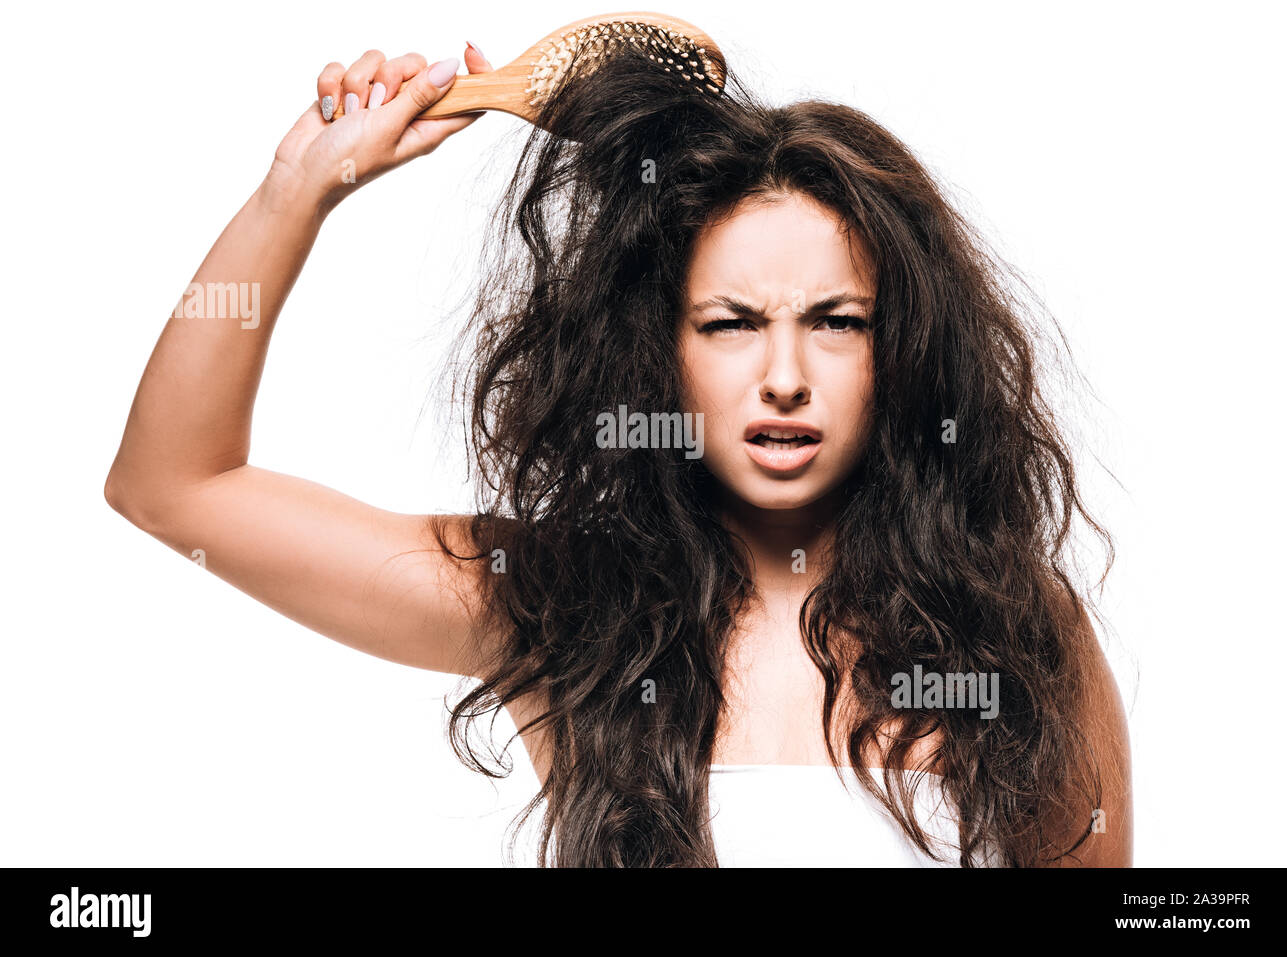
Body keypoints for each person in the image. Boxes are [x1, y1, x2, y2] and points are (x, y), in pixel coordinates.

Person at [105, 39, 1132, 867]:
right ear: (659, 354)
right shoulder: (561, 607)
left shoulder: (1010, 625)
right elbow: (174, 489)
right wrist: (297, 189)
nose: (783, 375)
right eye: (730, 323)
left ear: (900, 348)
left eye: (836, 321)